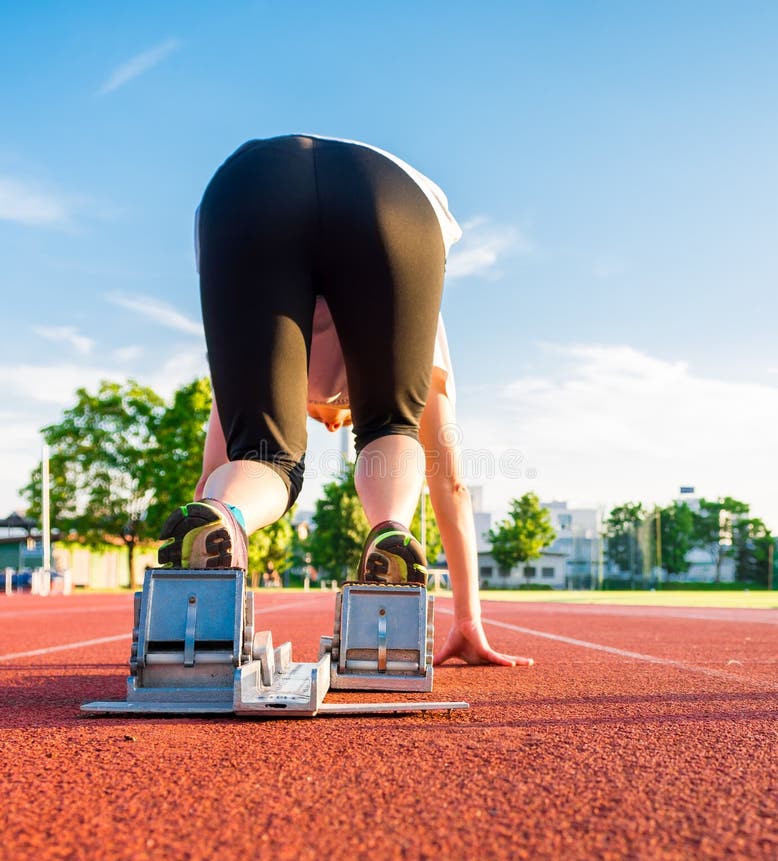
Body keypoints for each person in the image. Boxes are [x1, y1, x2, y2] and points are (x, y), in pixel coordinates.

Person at [158, 134, 532, 668]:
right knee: (390, 431)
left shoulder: (263, 358)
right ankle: (391, 530)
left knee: (265, 457)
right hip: (390, 194)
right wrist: (468, 619)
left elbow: (216, 468)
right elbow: (449, 480)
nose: (333, 426)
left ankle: (234, 514)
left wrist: (221, 515)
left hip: (247, 189)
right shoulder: (407, 335)